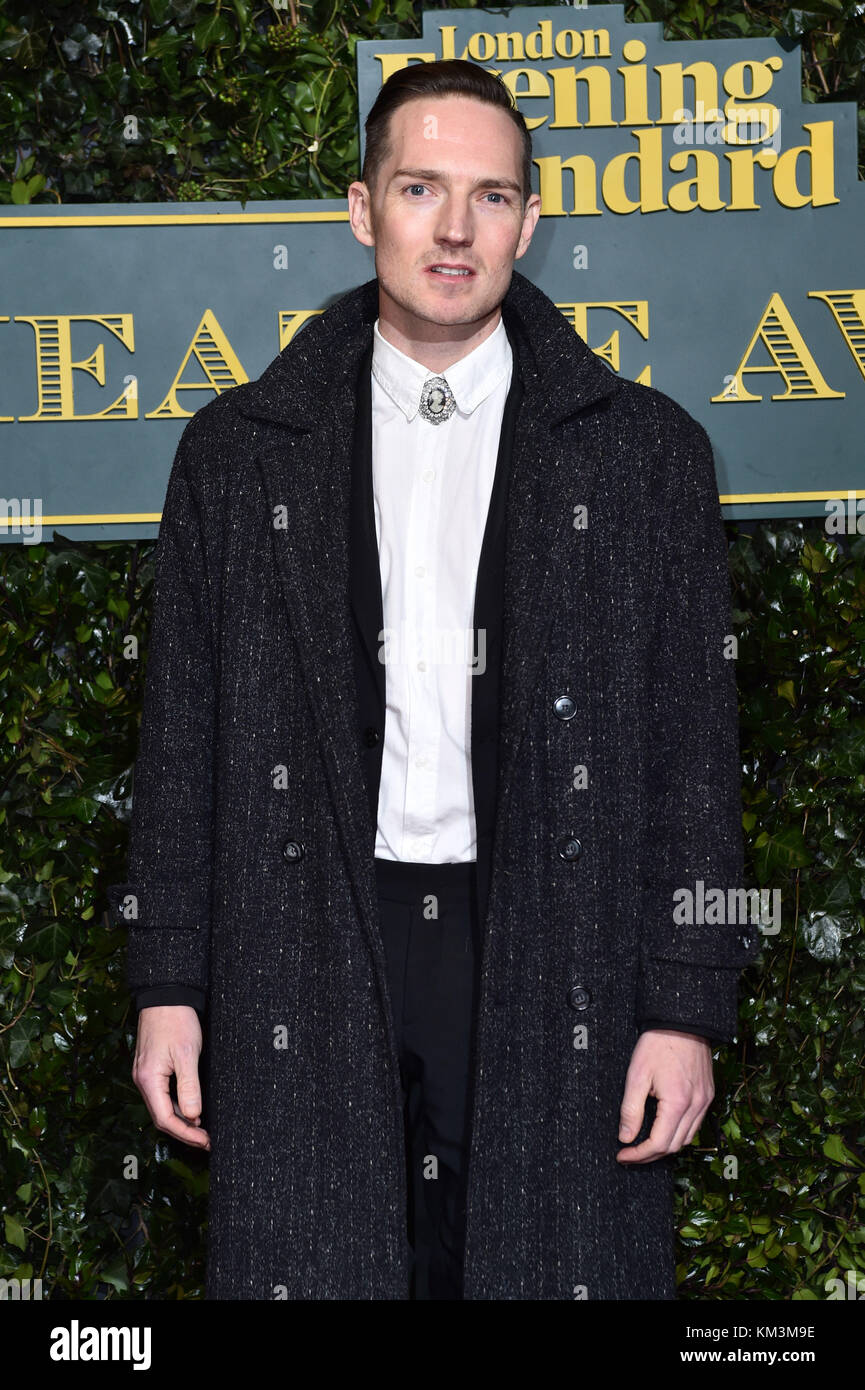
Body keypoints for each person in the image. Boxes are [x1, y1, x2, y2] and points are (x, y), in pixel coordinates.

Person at [107, 58, 760, 1300]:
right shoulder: (239, 458)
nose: (456, 229)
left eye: (491, 196)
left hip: (545, 945)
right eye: (420, 188)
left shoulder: (645, 457)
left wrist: (686, 1008)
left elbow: (692, 756)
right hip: (300, 944)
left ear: (529, 219)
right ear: (363, 211)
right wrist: (168, 985)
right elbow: (182, 740)